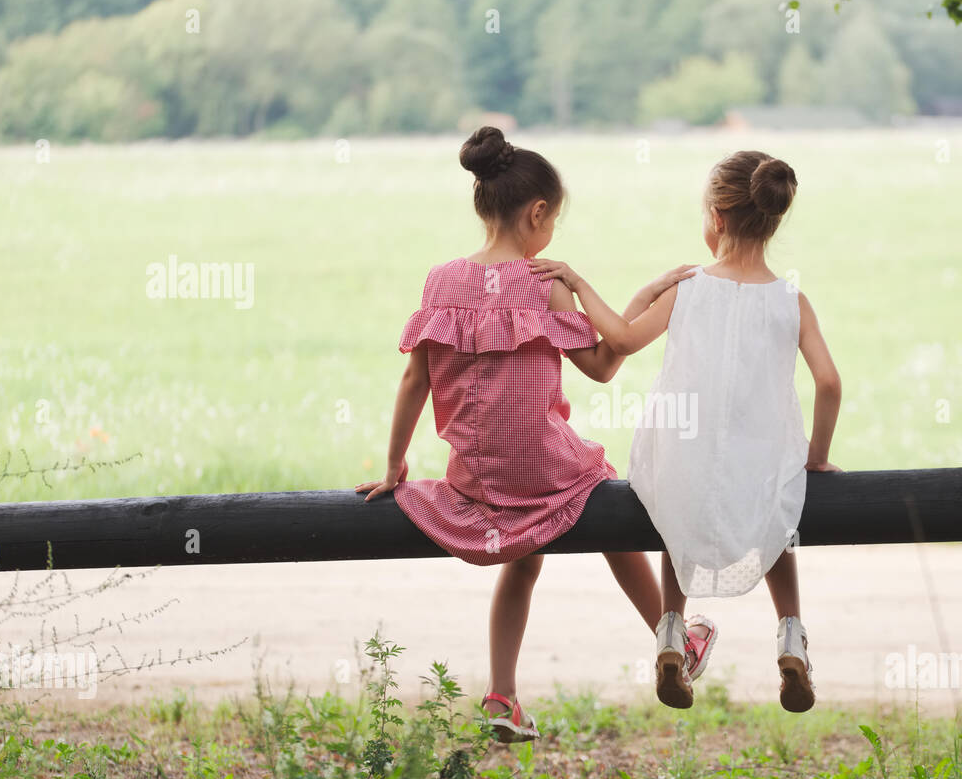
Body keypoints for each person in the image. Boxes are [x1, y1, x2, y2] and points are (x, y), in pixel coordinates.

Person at [356, 127, 707, 741]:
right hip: (544, 466)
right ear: (537, 214)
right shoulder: (546, 281)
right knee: (609, 504)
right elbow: (601, 364)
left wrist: (394, 468)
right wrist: (648, 299)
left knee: (522, 562)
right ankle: (671, 636)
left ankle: (500, 696)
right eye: (554, 221)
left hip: (480, 476)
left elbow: (416, 380)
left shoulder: (441, 281)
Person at [530, 150, 842, 713]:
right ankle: (791, 637)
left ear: (716, 219)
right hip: (761, 455)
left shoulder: (688, 288)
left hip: (679, 454)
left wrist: (578, 282)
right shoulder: (792, 300)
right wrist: (815, 458)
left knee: (676, 516)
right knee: (774, 514)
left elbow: (619, 342)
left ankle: (671, 634)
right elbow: (830, 383)